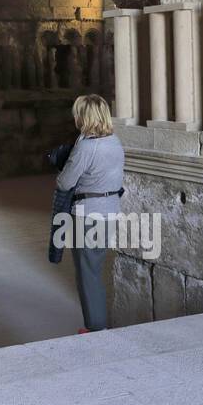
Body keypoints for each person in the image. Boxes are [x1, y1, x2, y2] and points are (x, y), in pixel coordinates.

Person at [56, 94, 125, 334]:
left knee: (88, 274)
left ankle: (96, 329)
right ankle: (97, 324)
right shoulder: (115, 141)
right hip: (110, 211)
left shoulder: (86, 146)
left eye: (78, 113)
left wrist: (62, 165)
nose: (75, 117)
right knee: (94, 269)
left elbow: (65, 182)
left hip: (87, 214)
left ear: (84, 117)